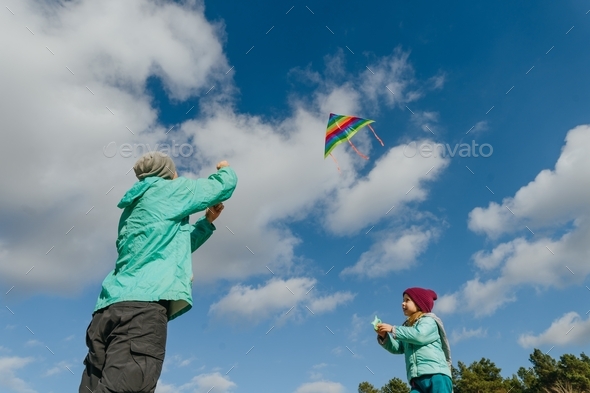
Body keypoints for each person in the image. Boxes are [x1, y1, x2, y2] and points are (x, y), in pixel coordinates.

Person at [79, 151, 237, 393]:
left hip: (107, 312)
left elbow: (170, 249)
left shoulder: (132, 209)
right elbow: (223, 187)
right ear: (169, 174)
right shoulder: (170, 189)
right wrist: (225, 168)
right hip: (141, 312)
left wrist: (206, 223)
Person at [376, 287, 453, 393]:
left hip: (436, 375)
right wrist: (384, 336)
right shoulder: (407, 328)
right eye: (403, 300)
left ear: (419, 303)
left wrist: (393, 329)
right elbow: (398, 347)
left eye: (407, 300)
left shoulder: (429, 321)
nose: (403, 304)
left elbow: (419, 335)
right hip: (416, 379)